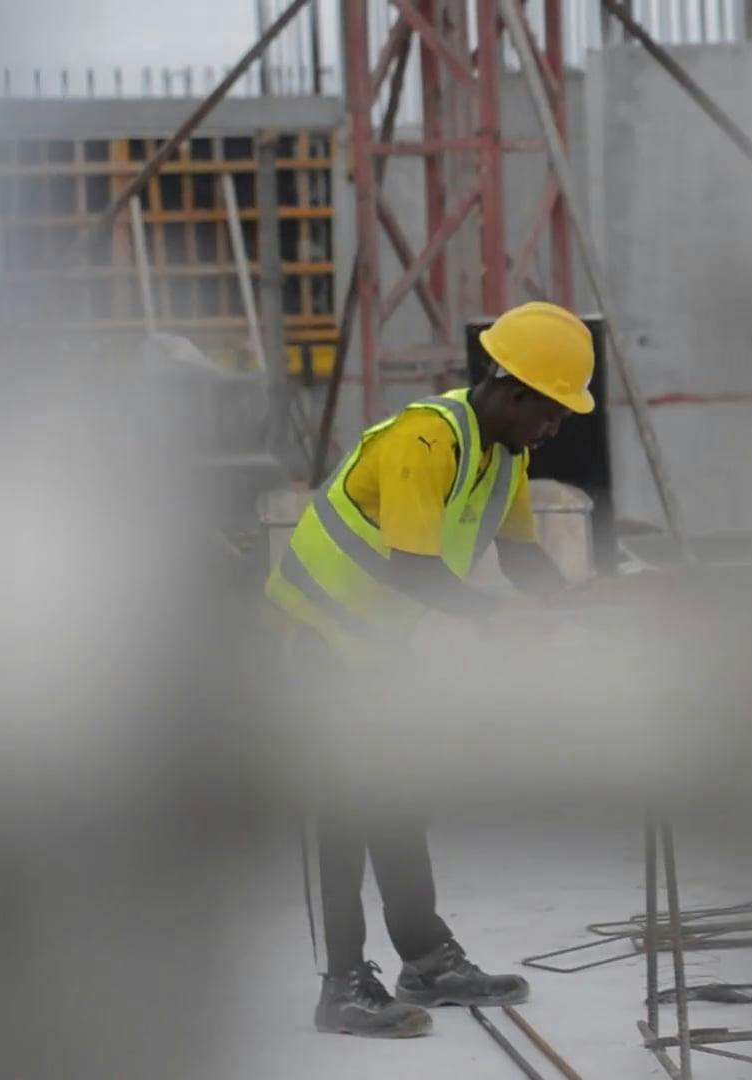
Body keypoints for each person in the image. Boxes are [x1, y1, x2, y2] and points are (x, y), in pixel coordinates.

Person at [264, 300, 594, 1037]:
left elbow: (522, 558)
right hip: (311, 639)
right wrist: (497, 619)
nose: (556, 428)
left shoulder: (504, 456)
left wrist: (586, 608)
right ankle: (342, 987)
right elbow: (414, 571)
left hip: (372, 648)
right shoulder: (424, 440)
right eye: (552, 411)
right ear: (512, 394)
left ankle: (426, 960)